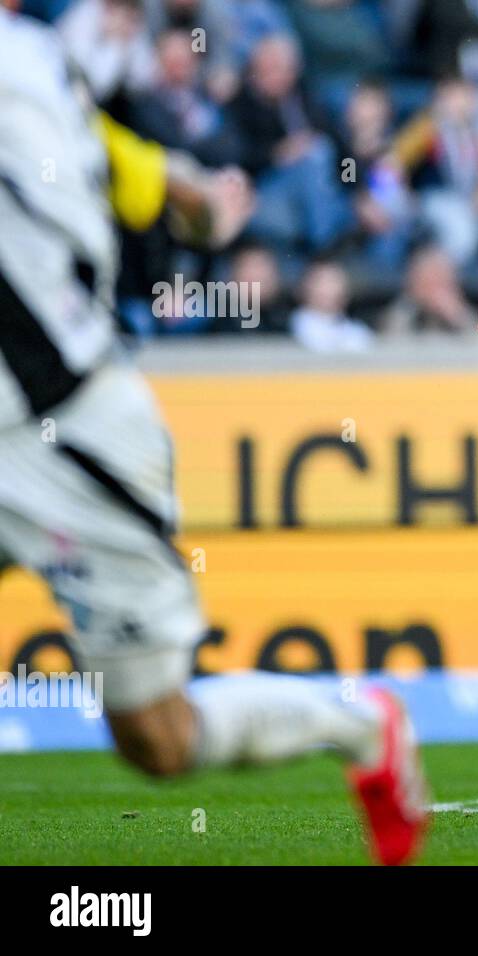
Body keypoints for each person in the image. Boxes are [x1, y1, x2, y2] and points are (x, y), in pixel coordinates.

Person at [0, 9, 426, 864]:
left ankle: (359, 725)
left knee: (158, 737)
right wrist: (196, 197)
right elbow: (160, 183)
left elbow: (156, 182)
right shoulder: (42, 64)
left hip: (66, 436)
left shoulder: (25, 66)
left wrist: (195, 197)